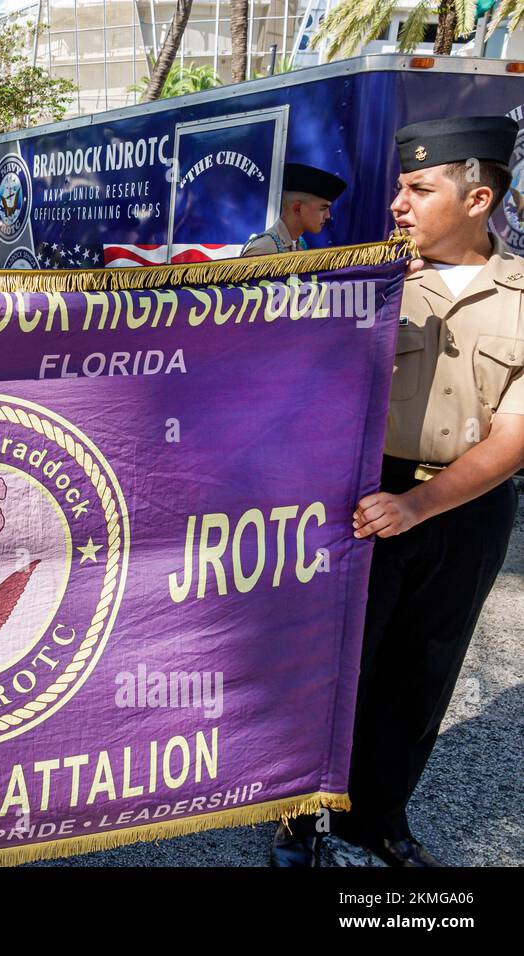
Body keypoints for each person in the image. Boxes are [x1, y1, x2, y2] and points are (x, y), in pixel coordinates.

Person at [271, 116, 524, 868]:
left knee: (421, 674)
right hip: (357, 498)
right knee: (334, 672)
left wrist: (420, 506)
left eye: (419, 188)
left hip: (464, 512)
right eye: (399, 188)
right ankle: (296, 822)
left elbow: (514, 433)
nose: (397, 204)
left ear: (478, 198)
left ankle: (376, 820)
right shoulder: (364, 281)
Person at [242, 163, 347, 256]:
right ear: (297, 209)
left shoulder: (299, 246)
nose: (328, 215)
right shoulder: (263, 250)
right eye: (323, 208)